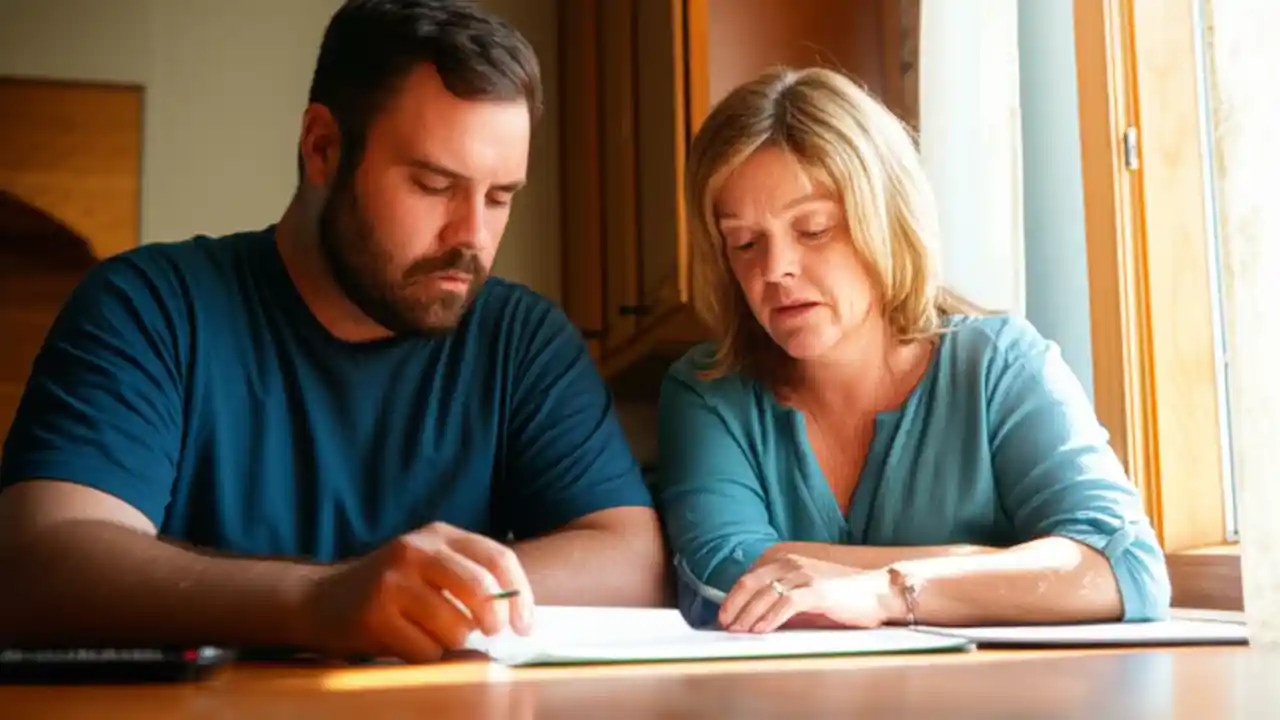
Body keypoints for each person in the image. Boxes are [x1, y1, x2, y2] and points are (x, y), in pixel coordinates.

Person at [0, 0, 666, 662]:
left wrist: (428, 595)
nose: (474, 237)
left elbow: (632, 560)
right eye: (434, 185)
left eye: (499, 198)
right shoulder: (150, 307)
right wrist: (324, 602)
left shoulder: (521, 341)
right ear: (322, 147)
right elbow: (40, 560)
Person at [656, 66, 1170, 633]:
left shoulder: (1000, 366)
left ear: (886, 216)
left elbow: (1122, 566)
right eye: (744, 243)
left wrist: (888, 591)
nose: (774, 269)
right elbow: (723, 579)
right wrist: (991, 568)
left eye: (815, 229)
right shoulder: (707, 390)